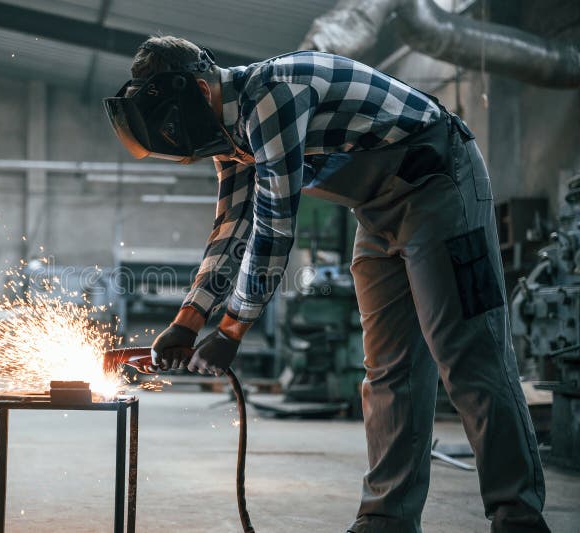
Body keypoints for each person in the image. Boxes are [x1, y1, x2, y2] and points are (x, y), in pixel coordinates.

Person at [103, 35, 550, 533]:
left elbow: (273, 228)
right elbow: (230, 230)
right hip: (377, 209)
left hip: (438, 181)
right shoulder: (227, 138)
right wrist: (186, 322)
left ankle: (518, 514)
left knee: (465, 352)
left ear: (198, 90)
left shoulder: (271, 94)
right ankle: (387, 518)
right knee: (387, 367)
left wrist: (230, 330)